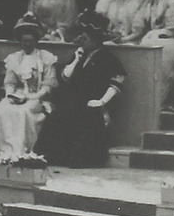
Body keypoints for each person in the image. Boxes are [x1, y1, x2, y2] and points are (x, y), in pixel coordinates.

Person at [42, 14, 126, 168]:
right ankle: (55, 158)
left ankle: (81, 159)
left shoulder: (107, 58)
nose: (82, 41)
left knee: (83, 118)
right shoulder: (80, 56)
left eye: (85, 38)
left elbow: (116, 82)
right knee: (58, 116)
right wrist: (76, 60)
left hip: (92, 103)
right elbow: (65, 77)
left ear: (95, 41)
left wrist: (102, 101)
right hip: (74, 101)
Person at [0, 29, 57, 158]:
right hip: (18, 95)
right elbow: (10, 82)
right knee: (2, 109)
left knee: (23, 112)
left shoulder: (45, 57)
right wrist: (11, 95)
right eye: (24, 41)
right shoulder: (14, 58)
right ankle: (0, 147)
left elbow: (48, 85)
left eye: (30, 41)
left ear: (36, 41)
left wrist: (33, 96)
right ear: (20, 42)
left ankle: (19, 148)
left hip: (37, 97)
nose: (27, 44)